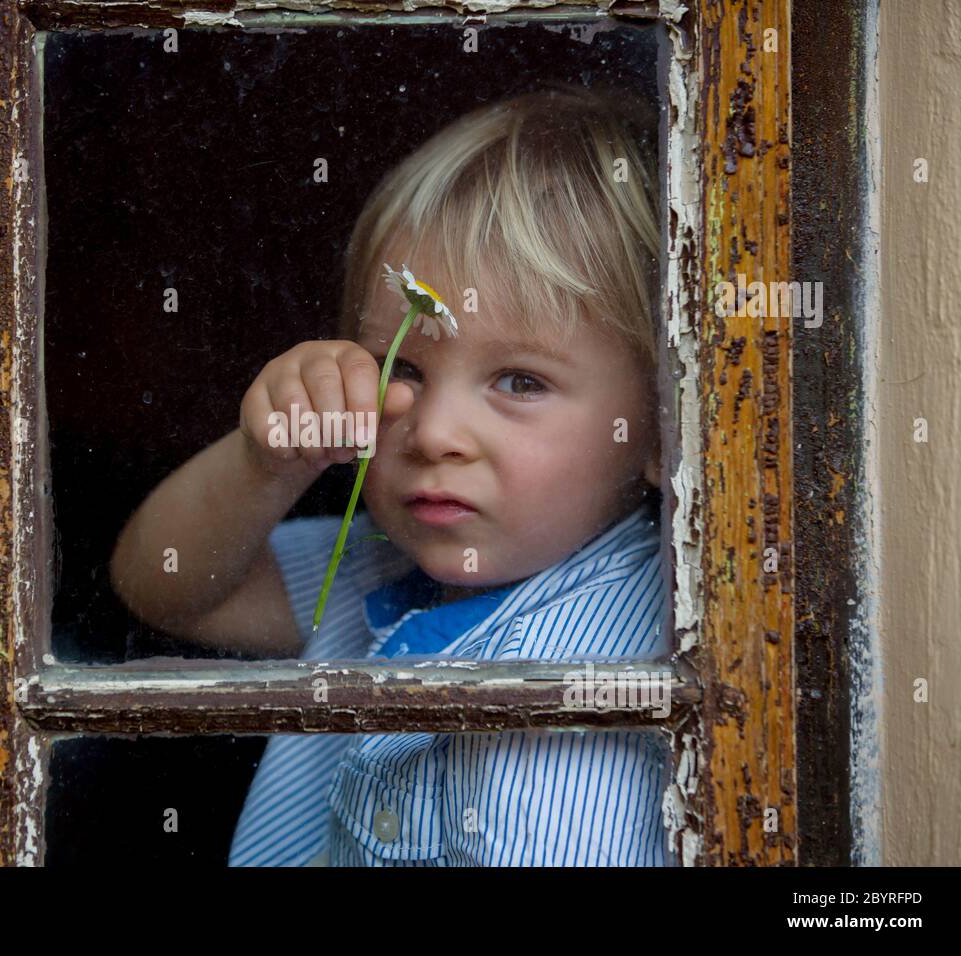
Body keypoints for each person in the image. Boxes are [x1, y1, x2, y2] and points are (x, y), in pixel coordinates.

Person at [110, 84, 672, 866]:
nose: (433, 431)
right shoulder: (367, 565)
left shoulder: (671, 619)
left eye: (519, 382)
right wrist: (262, 463)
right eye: (401, 366)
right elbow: (164, 585)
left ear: (660, 427)